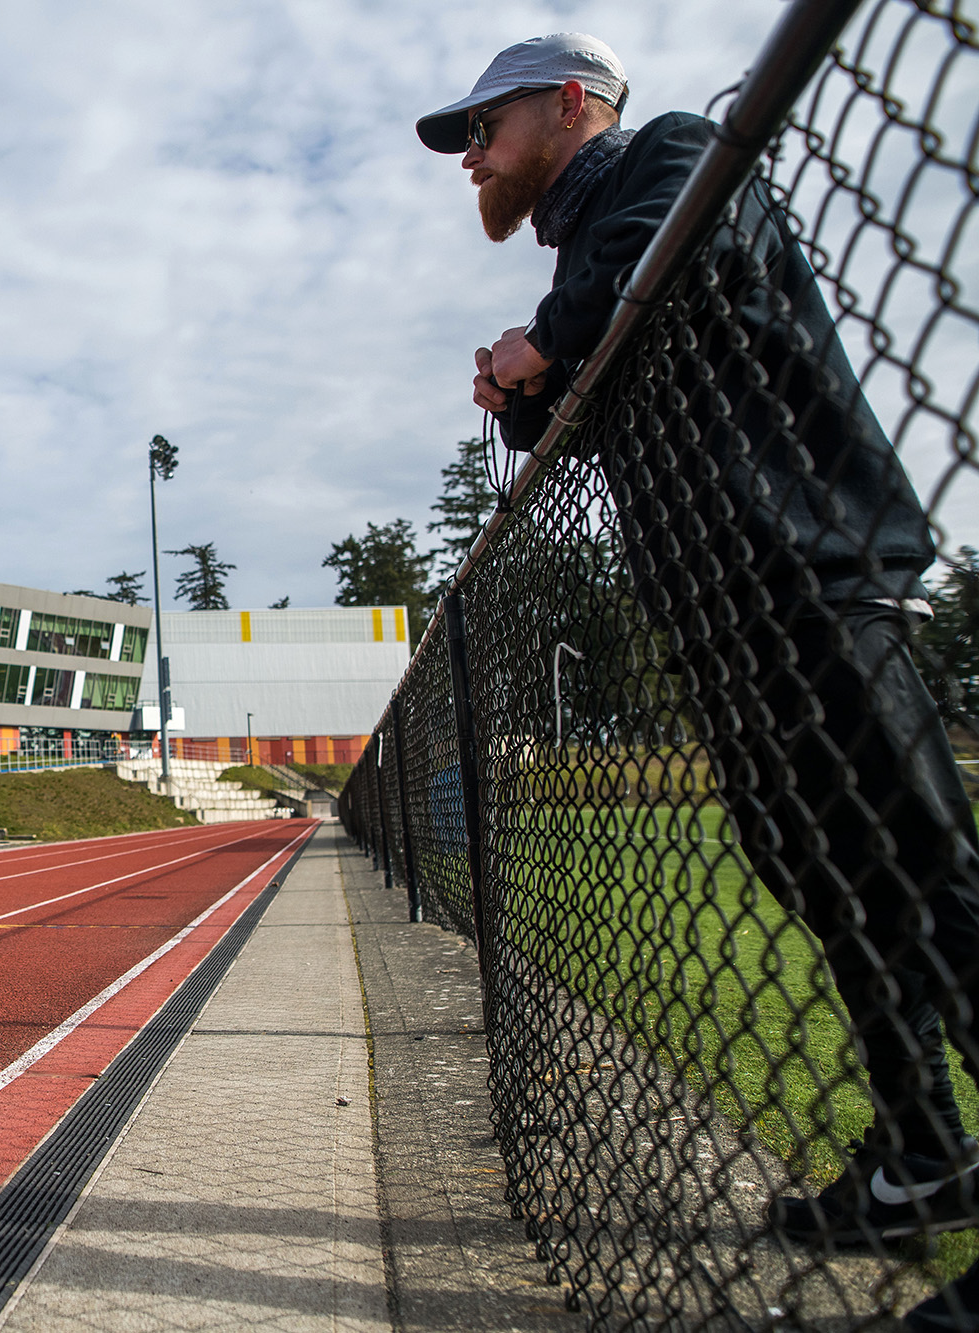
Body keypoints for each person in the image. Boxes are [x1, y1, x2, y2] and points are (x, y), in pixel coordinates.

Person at [421, 35, 979, 1327]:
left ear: (571, 105)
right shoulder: (582, 249)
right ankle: (921, 1153)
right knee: (819, 872)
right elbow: (570, 394)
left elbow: (639, 294)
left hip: (807, 570)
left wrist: (535, 350)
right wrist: (528, 377)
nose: (471, 161)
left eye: (483, 129)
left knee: (912, 866)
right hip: (726, 603)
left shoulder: (671, 150)